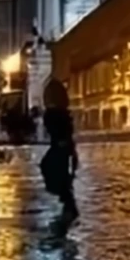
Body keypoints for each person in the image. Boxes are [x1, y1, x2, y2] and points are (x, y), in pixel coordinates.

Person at [40, 78, 79, 228]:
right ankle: (68, 206)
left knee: (55, 173)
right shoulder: (60, 113)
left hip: (60, 148)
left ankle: (69, 208)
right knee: (59, 175)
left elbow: (62, 133)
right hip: (62, 148)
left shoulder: (55, 114)